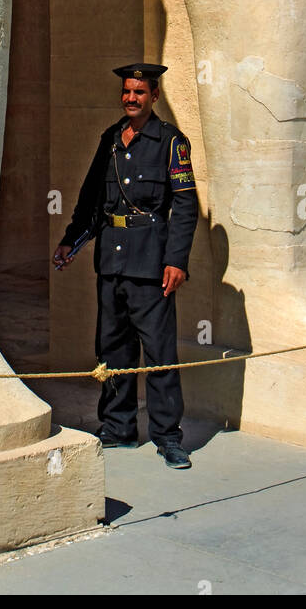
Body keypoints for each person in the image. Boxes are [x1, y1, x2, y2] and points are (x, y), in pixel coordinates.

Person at [53, 64, 199, 469]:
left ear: (154, 95)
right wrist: (71, 238)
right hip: (112, 261)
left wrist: (176, 261)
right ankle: (117, 428)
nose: (131, 98)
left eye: (139, 92)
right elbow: (90, 196)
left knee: (159, 354)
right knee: (113, 349)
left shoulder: (171, 142)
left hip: (152, 263)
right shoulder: (111, 139)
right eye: (126, 92)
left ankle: (168, 437)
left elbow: (185, 206)